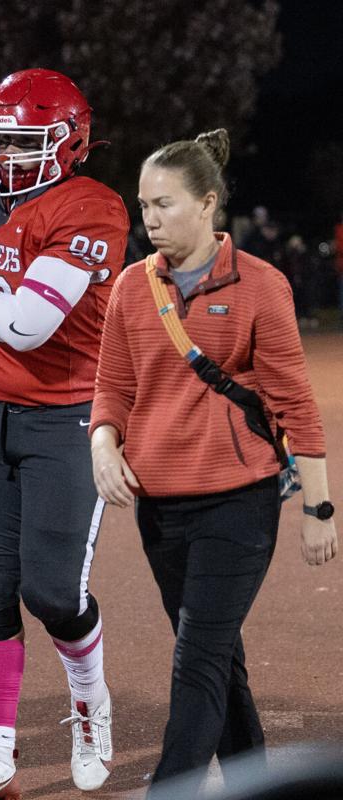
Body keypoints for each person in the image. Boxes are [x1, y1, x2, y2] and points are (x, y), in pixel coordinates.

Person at [90, 129, 337, 793]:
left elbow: (297, 408)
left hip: (240, 503)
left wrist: (319, 509)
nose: (150, 219)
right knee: (218, 660)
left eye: (164, 204)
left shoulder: (261, 285)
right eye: (143, 205)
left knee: (196, 660)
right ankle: (255, 781)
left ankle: (174, 788)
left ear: (206, 204)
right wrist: (102, 442)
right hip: (160, 510)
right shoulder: (130, 288)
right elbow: (112, 385)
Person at [0, 69, 129, 800]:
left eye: (25, 138)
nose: (7, 152)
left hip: (68, 416)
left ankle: (89, 703)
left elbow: (25, 325)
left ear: (70, 143)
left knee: (52, 593)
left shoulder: (92, 207)